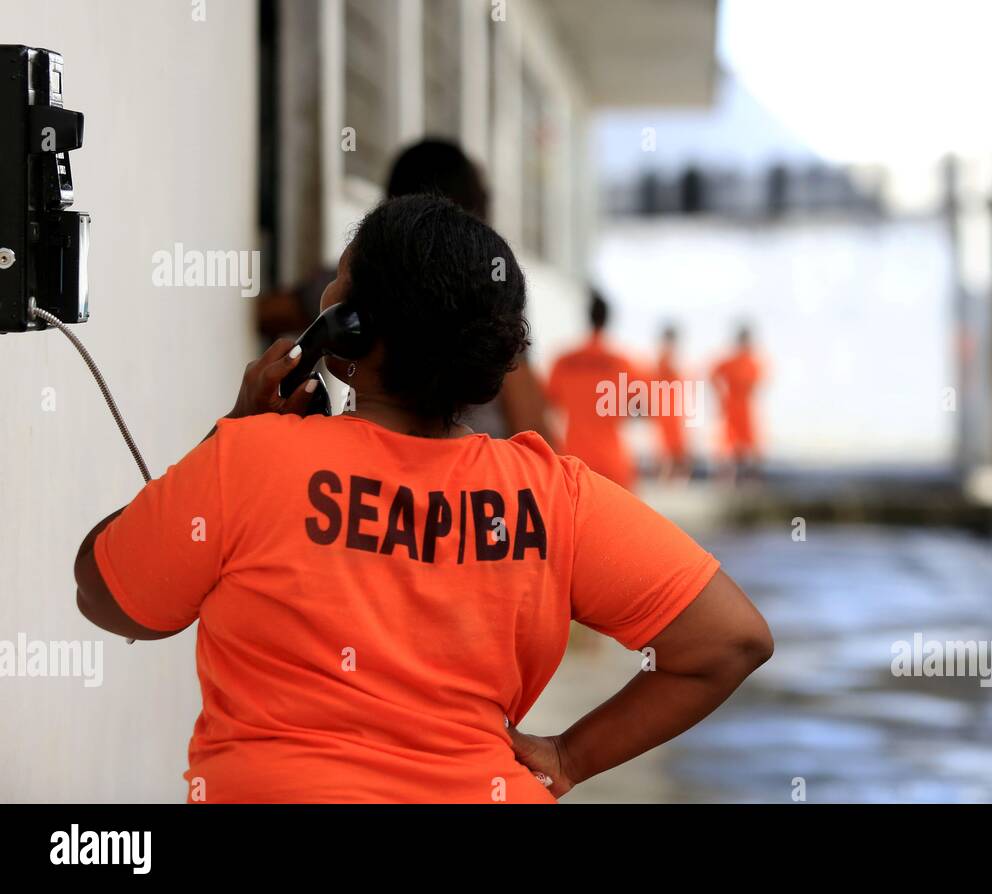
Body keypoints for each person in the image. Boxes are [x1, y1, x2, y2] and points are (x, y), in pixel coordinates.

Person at [73, 195, 772, 803]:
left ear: (352, 329)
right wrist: (570, 757)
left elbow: (106, 595)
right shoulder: (554, 496)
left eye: (341, 282)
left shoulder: (249, 460)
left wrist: (227, 434)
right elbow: (730, 640)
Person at [258, 137, 553, 443]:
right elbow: (530, 417)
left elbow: (264, 313)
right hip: (483, 471)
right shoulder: (490, 291)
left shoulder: (363, 276)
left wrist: (250, 416)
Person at [545, 290, 644, 491]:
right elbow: (641, 407)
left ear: (587, 316)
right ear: (608, 319)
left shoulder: (564, 361)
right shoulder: (622, 363)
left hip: (573, 461)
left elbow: (547, 404)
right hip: (613, 463)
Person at [711, 324, 764, 481]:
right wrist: (721, 395)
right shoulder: (730, 361)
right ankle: (726, 480)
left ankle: (751, 481)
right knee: (729, 447)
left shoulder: (753, 362)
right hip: (732, 407)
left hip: (746, 410)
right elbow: (713, 374)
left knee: (751, 446)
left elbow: (756, 383)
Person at [654, 324, 691, 480]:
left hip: (671, 408)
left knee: (674, 446)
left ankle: (672, 477)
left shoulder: (666, 359)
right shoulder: (665, 360)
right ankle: (671, 478)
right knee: (672, 447)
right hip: (667, 409)